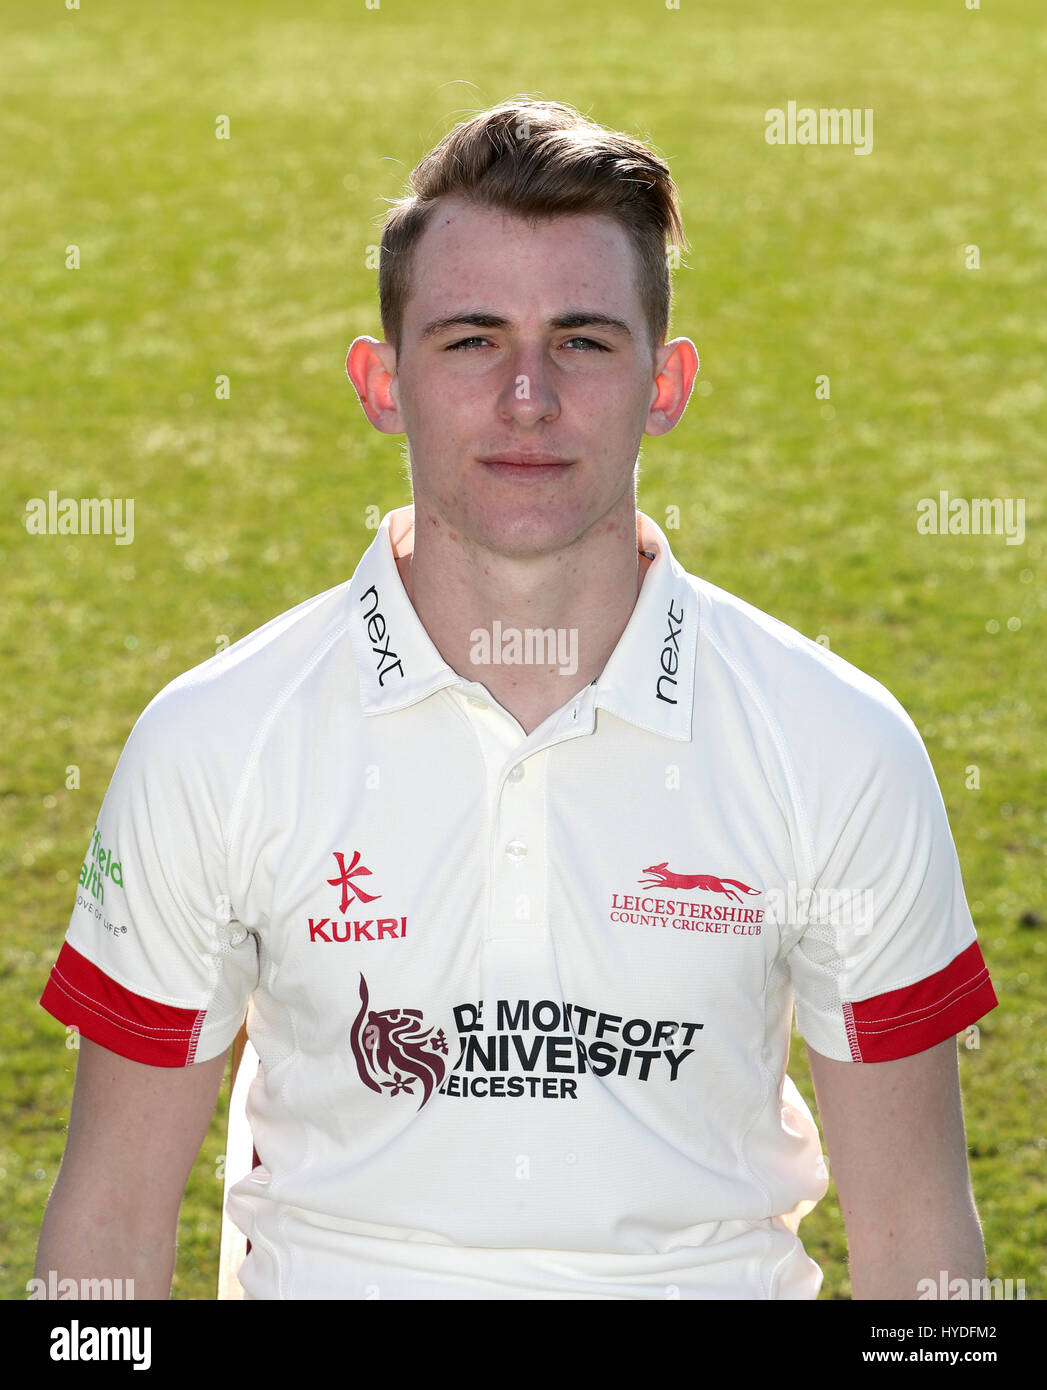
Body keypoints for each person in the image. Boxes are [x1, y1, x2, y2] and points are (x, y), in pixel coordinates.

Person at [36, 96, 997, 1301]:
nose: (529, 397)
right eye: (472, 340)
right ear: (382, 383)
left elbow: (924, 1256)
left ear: (668, 381)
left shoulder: (839, 743)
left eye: (585, 341)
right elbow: (106, 1237)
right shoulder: (214, 740)